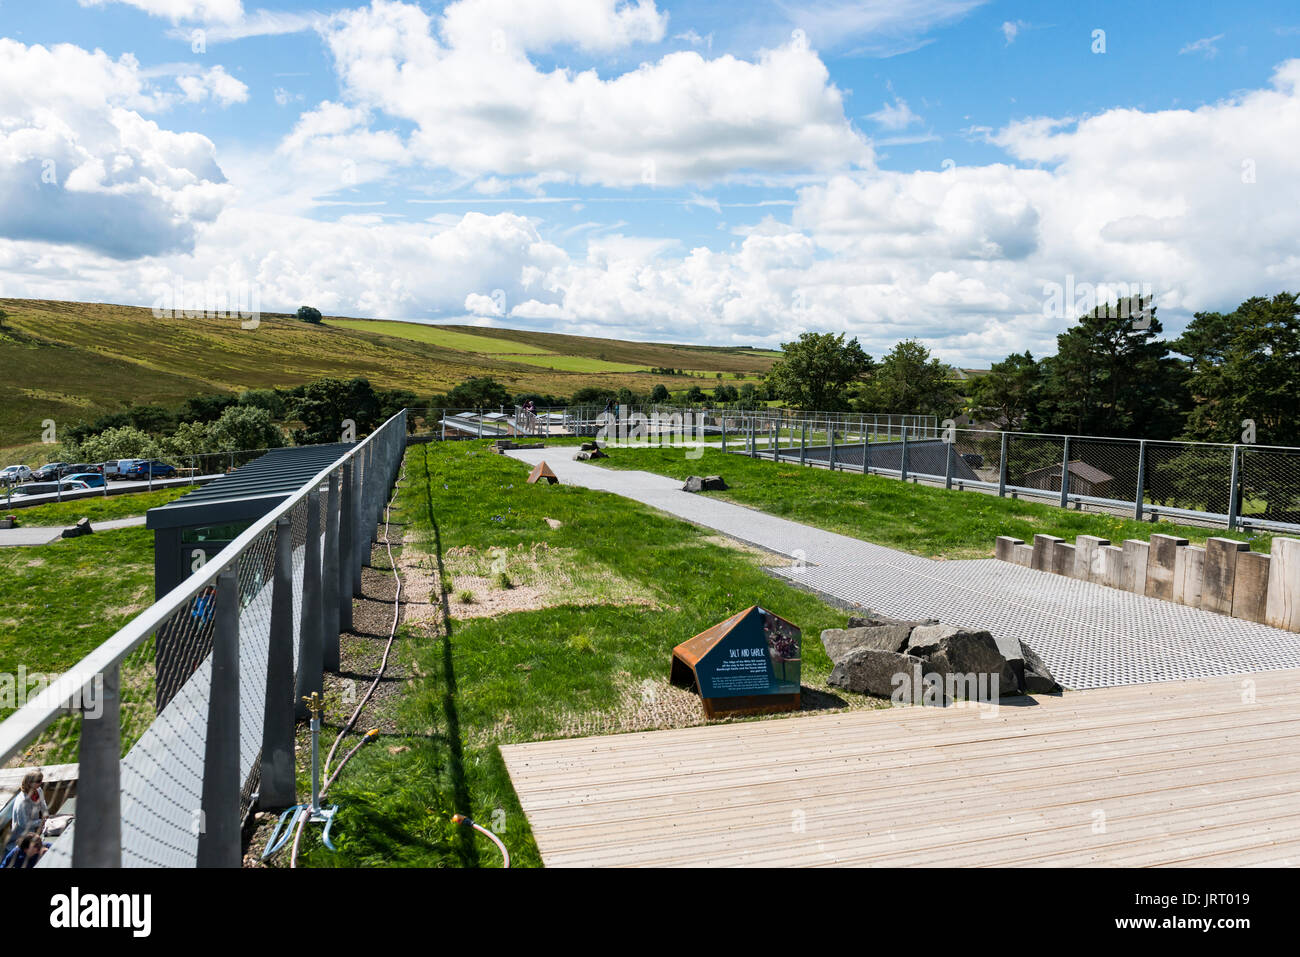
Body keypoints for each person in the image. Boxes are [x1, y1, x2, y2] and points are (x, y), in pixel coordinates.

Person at [7, 770, 47, 852]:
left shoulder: (38, 790)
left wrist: (46, 815)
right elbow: (24, 824)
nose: (41, 783)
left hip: (35, 829)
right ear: (29, 783)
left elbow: (43, 804)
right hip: (23, 835)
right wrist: (41, 822)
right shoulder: (22, 802)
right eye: (38, 781)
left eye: (41, 780)